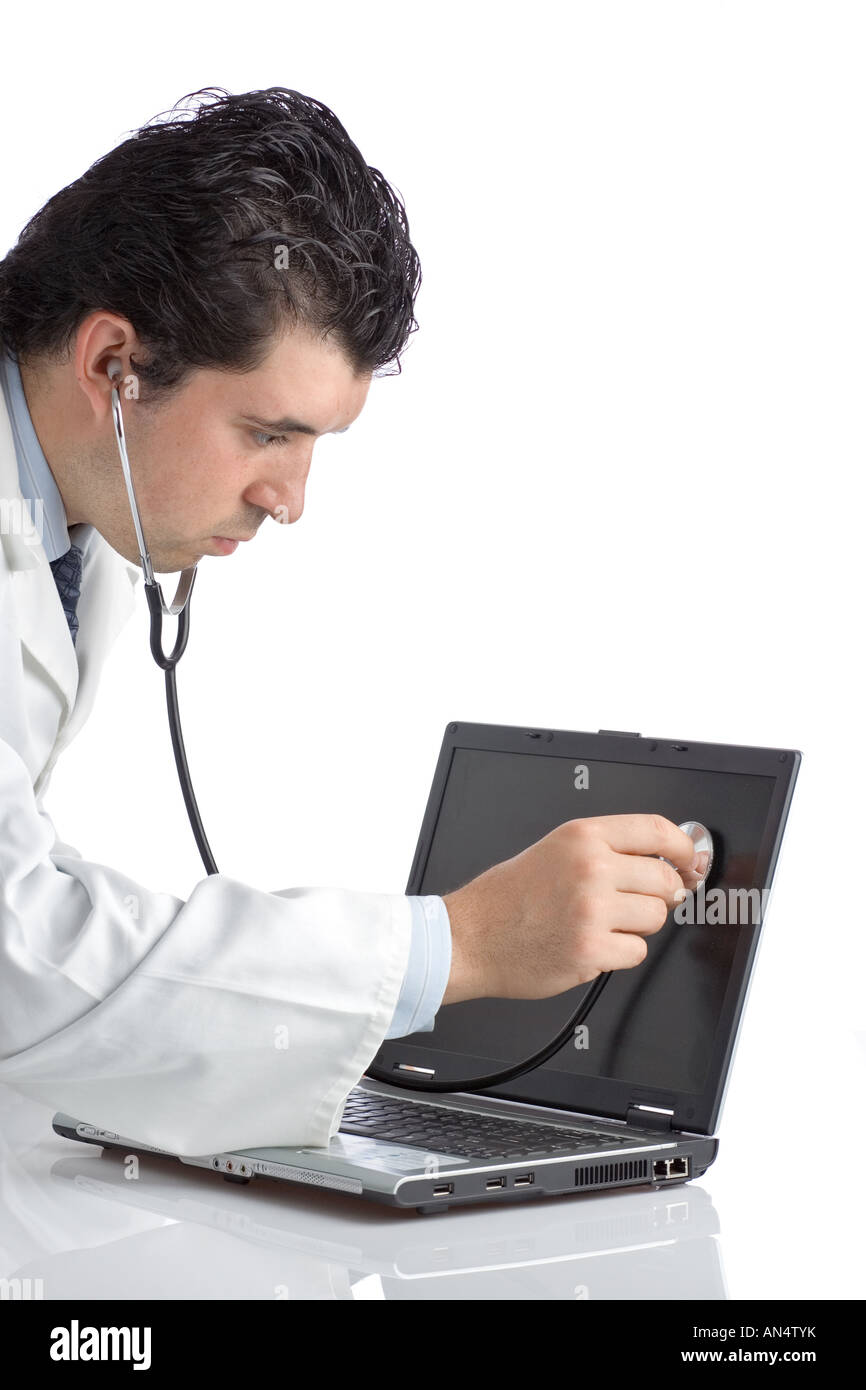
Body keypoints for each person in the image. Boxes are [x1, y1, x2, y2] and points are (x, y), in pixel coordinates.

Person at [0, 86, 701, 1156]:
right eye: (267, 434)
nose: (291, 499)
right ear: (113, 367)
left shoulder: (66, 516)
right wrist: (454, 946)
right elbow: (20, 952)